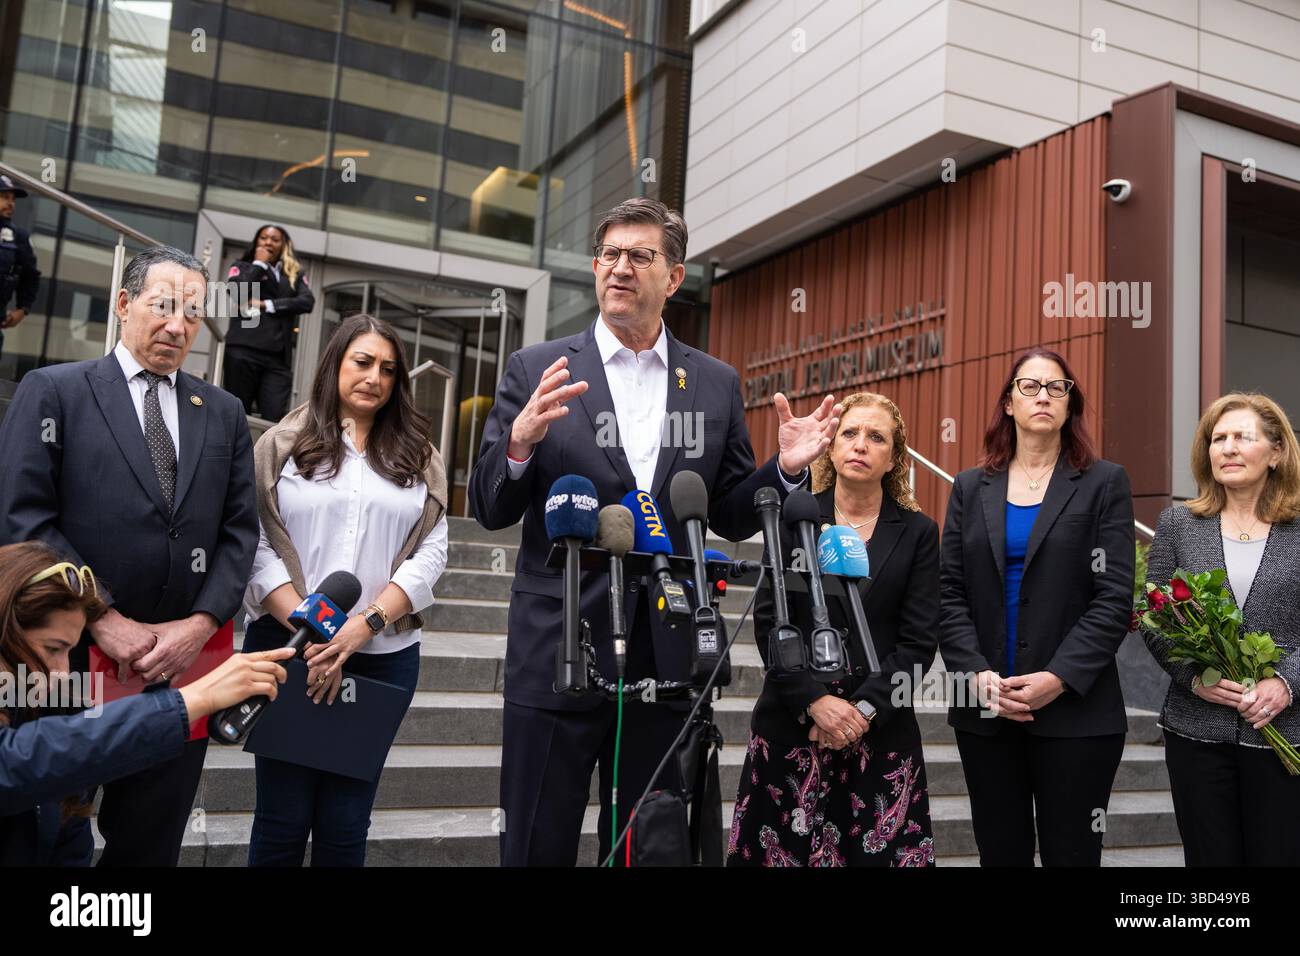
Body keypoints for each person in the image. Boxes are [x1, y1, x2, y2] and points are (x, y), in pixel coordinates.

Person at [469, 197, 841, 866]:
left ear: (673, 278)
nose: (620, 267)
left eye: (639, 256)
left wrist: (783, 471)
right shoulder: (537, 367)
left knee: (650, 847)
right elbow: (490, 507)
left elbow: (728, 512)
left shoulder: (714, 383)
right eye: (609, 254)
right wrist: (520, 441)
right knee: (534, 842)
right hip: (559, 646)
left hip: (667, 653)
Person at [0, 244, 259, 866]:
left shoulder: (223, 413)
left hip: (180, 666)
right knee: (49, 835)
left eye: (192, 312)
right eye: (163, 305)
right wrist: (102, 618)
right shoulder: (55, 392)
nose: (177, 325)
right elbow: (23, 519)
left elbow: (239, 533)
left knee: (149, 846)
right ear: (123, 303)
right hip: (67, 664)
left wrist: (200, 626)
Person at [241, 313, 448, 866]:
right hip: (288, 647)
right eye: (362, 362)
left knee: (346, 824)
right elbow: (255, 544)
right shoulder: (281, 445)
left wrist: (364, 625)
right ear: (335, 363)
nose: (374, 377)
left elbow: (431, 553)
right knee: (281, 820)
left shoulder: (419, 456)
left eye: (388, 369)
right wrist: (318, 634)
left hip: (383, 657)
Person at [938, 347, 1135, 866]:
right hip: (986, 710)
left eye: (1057, 387)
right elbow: (949, 592)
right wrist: (973, 673)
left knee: (1073, 854)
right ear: (1009, 403)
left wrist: (1059, 678)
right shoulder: (969, 487)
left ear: (1070, 405)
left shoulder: (1104, 483)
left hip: (1076, 715)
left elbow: (1114, 598)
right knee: (1000, 854)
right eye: (1029, 386)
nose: (1043, 396)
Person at [729, 392, 940, 867]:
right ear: (832, 446)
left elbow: (919, 641)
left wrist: (861, 711)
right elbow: (771, 622)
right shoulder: (793, 518)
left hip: (879, 740)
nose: (860, 444)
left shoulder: (919, 533)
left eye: (876, 437)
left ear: (894, 458)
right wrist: (813, 701)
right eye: (850, 433)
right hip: (792, 730)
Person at [0, 541, 295, 865]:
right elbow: (17, 762)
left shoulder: (36, 706)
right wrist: (193, 699)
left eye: (69, 651)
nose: (63, 672)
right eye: (52, 648)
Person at [1141, 392, 1300, 866]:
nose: (1227, 448)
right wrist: (1195, 677)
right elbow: (1154, 617)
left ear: (1276, 452)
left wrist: (1287, 683)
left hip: (1286, 731)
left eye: (1243, 437)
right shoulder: (1178, 524)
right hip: (1196, 733)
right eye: (1218, 438)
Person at [222, 224, 315, 421]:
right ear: (257, 241)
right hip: (243, 351)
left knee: (274, 417)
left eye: (274, 239)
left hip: (277, 358)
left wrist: (266, 304)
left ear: (283, 245)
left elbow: (307, 301)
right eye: (263, 238)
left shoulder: (294, 273)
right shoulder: (242, 266)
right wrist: (259, 265)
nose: (268, 242)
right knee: (236, 413)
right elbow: (238, 294)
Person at [0, 173, 40, 361]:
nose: (11, 204)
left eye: (13, 199)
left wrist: (23, 309)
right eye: (4, 197)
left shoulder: (18, 237)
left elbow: (30, 276)